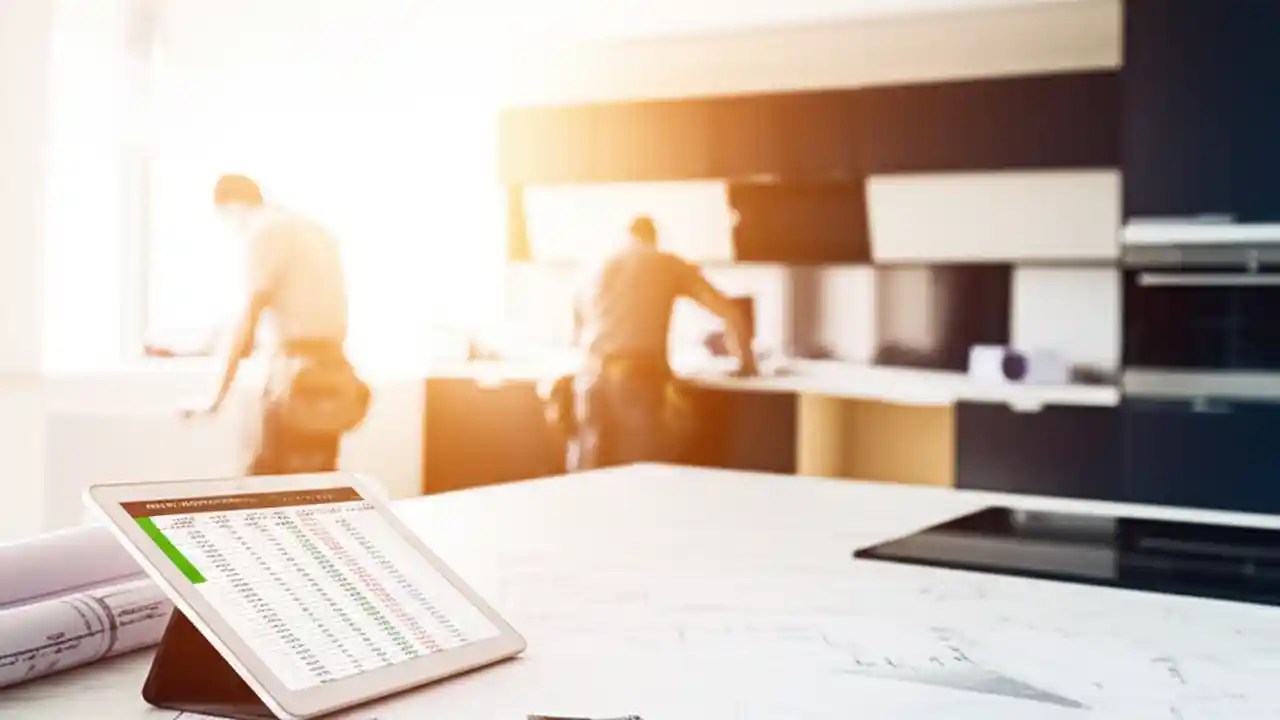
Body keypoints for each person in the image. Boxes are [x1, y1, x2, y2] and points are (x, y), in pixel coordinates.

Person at [186, 174, 369, 474]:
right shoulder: (315, 230)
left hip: (295, 376)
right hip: (335, 372)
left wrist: (216, 395)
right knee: (321, 483)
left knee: (270, 483)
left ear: (230, 206)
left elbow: (249, 318)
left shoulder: (264, 233)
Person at [569, 215, 755, 470]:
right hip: (636, 379)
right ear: (654, 238)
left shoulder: (593, 267)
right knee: (645, 473)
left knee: (590, 475)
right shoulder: (666, 263)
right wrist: (747, 364)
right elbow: (731, 313)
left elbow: (577, 333)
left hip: (590, 380)